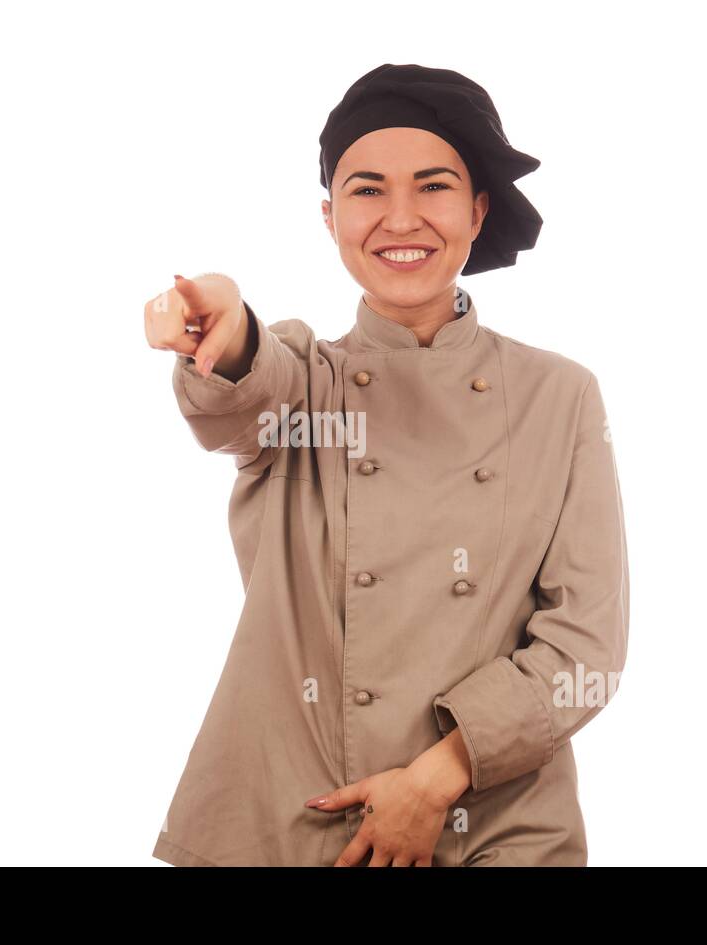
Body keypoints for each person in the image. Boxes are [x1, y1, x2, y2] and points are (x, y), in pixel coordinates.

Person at [142, 64, 629, 866]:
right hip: (294, 816)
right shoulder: (305, 380)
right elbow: (242, 396)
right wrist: (223, 332)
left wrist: (434, 781)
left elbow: (585, 646)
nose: (400, 217)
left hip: (498, 823)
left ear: (476, 210)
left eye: (433, 186)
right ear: (330, 217)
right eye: (367, 191)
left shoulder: (560, 396)